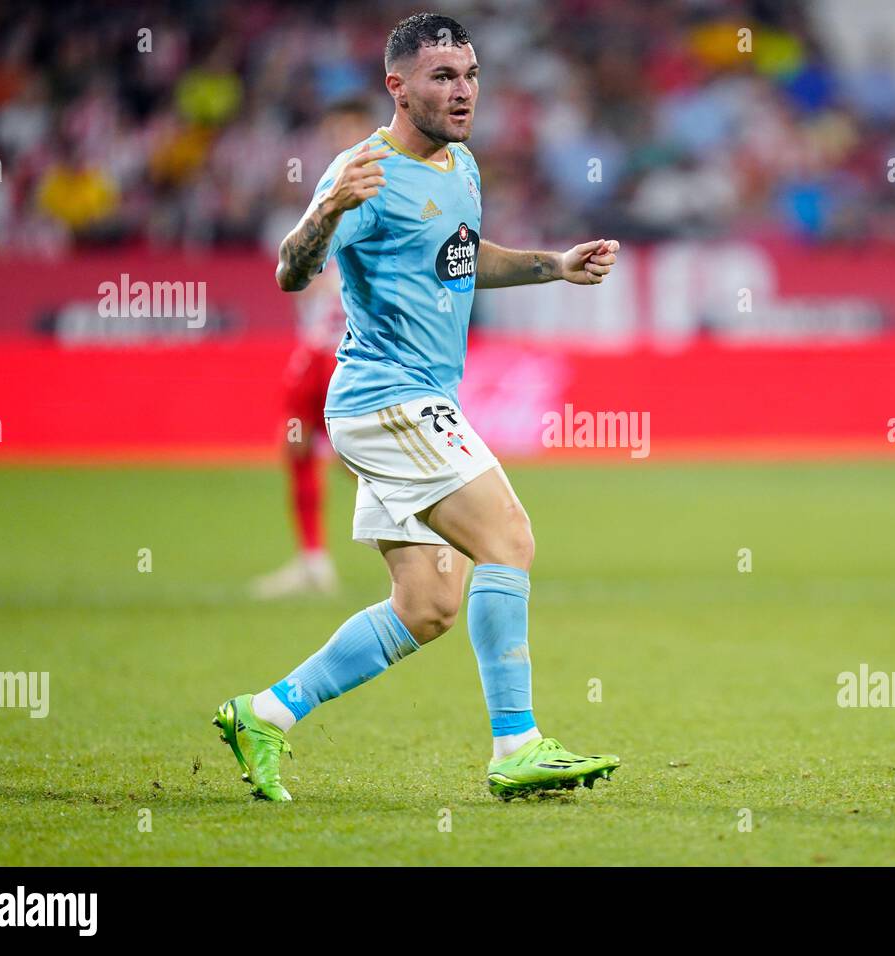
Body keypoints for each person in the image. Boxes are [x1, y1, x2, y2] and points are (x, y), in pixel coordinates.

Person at [213, 12, 622, 801]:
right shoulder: (365, 172)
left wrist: (555, 266)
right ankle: (518, 745)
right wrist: (327, 212)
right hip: (386, 398)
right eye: (443, 77)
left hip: (416, 400)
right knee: (508, 537)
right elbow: (290, 274)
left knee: (428, 605)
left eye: (469, 75)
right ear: (397, 86)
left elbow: (464, 258)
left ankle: (264, 713)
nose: (463, 90)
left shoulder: (461, 164)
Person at [250, 98, 378, 599]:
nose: (336, 138)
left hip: (347, 350)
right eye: (332, 129)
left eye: (345, 127)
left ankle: (421, 521)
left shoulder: (380, 183)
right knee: (298, 446)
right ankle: (313, 559)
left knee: (356, 454)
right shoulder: (330, 186)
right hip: (312, 349)